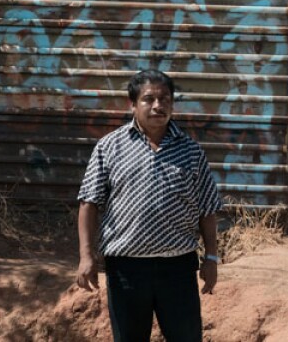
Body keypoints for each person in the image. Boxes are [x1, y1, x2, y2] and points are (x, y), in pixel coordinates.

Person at [75, 69, 224, 342]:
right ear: (133, 104)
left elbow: (207, 208)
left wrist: (211, 257)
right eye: (149, 99)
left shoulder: (190, 151)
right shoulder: (110, 147)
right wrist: (87, 256)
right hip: (126, 270)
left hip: (178, 269)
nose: (158, 105)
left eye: (165, 99)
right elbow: (89, 202)